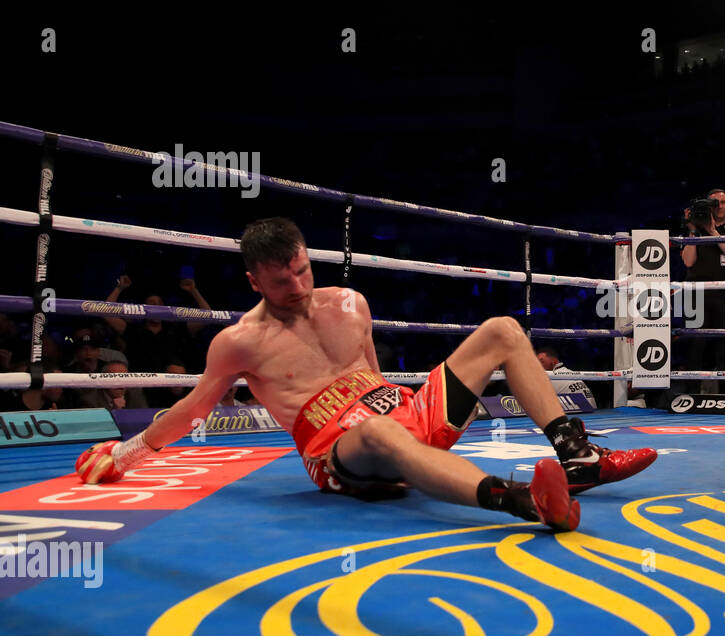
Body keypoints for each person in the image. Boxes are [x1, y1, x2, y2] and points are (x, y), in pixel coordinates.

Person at [75, 218, 658, 532]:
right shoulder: (239, 341)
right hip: (340, 448)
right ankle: (523, 501)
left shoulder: (350, 303)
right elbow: (197, 408)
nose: (298, 287)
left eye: (302, 270)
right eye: (281, 282)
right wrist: (129, 453)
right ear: (255, 281)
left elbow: (375, 374)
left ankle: (577, 458)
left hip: (399, 411)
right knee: (383, 436)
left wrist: (414, 411)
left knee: (503, 329)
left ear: (308, 255)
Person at [680, 189, 725, 393]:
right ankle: (690, 396)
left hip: (724, 294)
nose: (718, 205)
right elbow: (688, 261)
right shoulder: (694, 232)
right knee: (695, 347)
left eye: (722, 202)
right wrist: (693, 229)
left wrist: (712, 231)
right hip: (696, 293)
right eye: (714, 202)